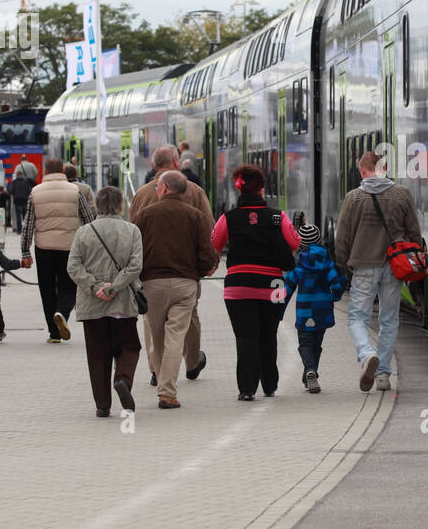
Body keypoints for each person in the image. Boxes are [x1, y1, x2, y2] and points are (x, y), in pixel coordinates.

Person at [334, 150, 423, 392]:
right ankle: (383, 374)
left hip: (364, 264)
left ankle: (366, 354)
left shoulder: (353, 198)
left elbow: (342, 237)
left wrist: (341, 265)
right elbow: (414, 232)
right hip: (395, 266)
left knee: (357, 317)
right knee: (389, 318)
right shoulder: (401, 194)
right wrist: (417, 258)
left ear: (363, 171)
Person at [213, 164, 300, 400]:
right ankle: (270, 385)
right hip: (272, 287)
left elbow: (214, 245)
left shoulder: (228, 218)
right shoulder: (276, 216)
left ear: (239, 190)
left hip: (238, 286)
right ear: (262, 189)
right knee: (268, 334)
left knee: (245, 336)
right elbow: (294, 243)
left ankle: (246, 389)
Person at [132, 171, 218, 409]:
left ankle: (165, 388)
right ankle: (167, 392)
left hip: (152, 284)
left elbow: (133, 248)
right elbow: (207, 250)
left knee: (157, 339)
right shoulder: (195, 215)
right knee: (175, 337)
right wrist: (202, 270)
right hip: (185, 284)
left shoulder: (144, 215)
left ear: (164, 188)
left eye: (158, 187)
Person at [67, 186, 144, 417]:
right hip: (122, 303)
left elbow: (73, 266)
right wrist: (114, 287)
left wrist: (95, 286)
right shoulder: (132, 231)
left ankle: (102, 405)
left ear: (97, 206)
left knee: (98, 354)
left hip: (93, 306)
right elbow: (135, 265)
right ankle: (122, 379)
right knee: (129, 346)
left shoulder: (83, 232)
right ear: (120, 205)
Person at [20, 157, 96, 343]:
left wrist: (25, 251)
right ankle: (62, 312)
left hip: (43, 248)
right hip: (69, 247)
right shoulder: (75, 191)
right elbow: (88, 220)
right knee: (69, 286)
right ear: (62, 170)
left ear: (45, 171)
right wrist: (92, 245)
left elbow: (28, 224)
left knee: (46, 289)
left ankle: (54, 334)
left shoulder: (35, 192)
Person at [280, 220, 346, 394]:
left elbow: (286, 289)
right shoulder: (327, 263)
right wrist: (336, 296)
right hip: (323, 311)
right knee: (317, 344)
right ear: (319, 241)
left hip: (304, 311)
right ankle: (311, 375)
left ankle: (310, 370)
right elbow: (337, 283)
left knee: (305, 343)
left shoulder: (299, 266)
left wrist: (278, 311)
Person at [10, 166, 34, 234]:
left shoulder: (14, 182)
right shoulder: (26, 181)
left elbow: (11, 191)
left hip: (17, 200)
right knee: (25, 215)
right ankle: (25, 230)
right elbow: (30, 190)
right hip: (25, 200)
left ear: (17, 175)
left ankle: (19, 230)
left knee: (18, 215)